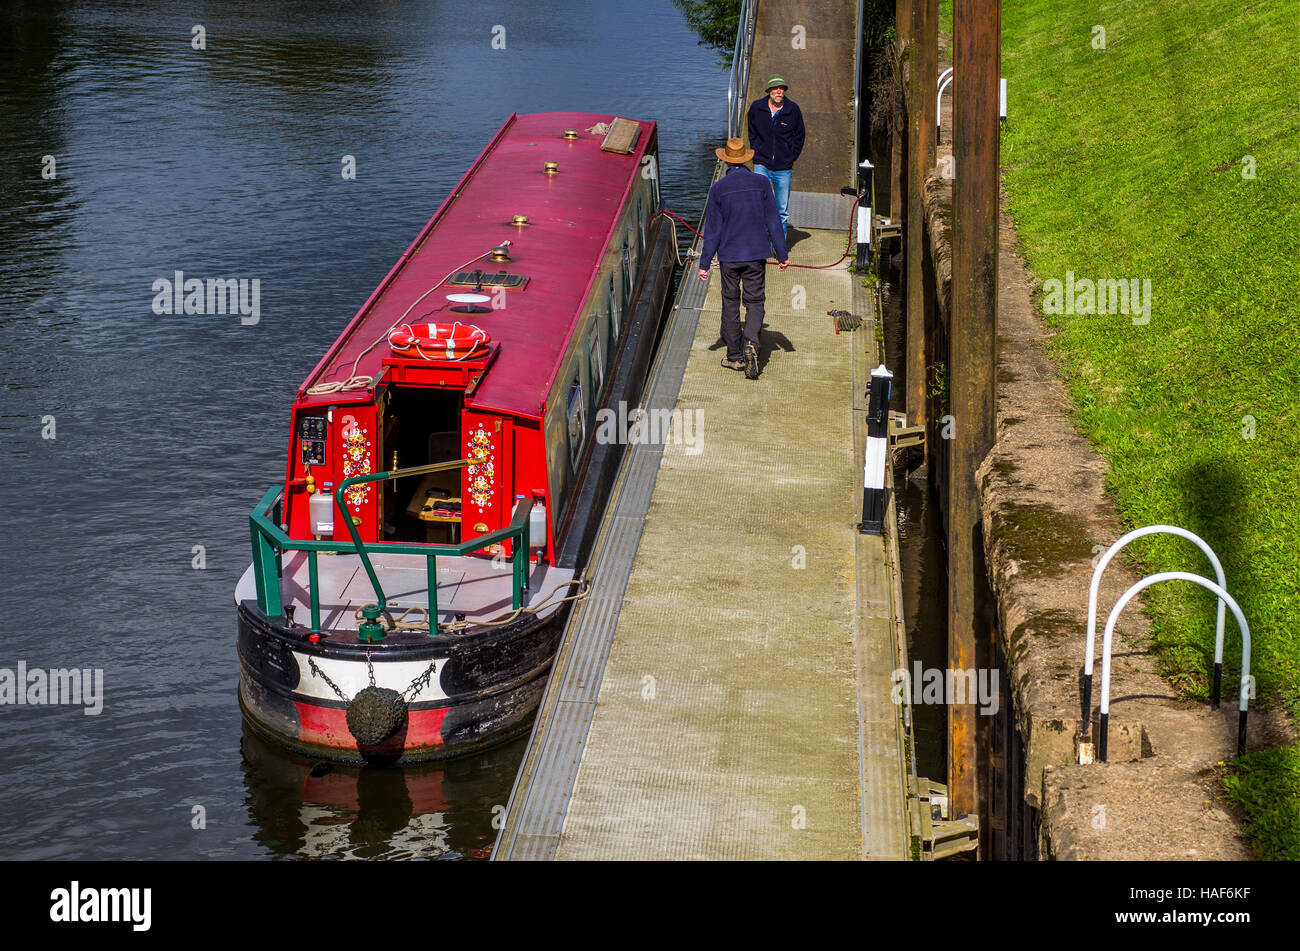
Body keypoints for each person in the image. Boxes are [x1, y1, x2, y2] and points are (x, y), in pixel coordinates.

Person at [697, 138, 789, 381]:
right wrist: (782, 255)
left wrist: (704, 264)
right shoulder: (761, 183)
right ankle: (752, 344)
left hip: (729, 256)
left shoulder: (718, 189)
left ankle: (735, 356)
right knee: (755, 301)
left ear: (725, 160)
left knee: (730, 302)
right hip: (756, 255)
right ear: (746, 160)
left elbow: (713, 230)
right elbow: (774, 221)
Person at [747, 75, 805, 238]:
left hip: (783, 167)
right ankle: (761, 245)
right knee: (759, 205)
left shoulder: (792, 109)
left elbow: (800, 135)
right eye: (775, 88)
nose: (779, 91)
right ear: (769, 91)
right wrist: (756, 152)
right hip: (761, 164)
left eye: (782, 88)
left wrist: (791, 155)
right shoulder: (757, 108)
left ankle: (779, 248)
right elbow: (752, 132)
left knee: (781, 209)